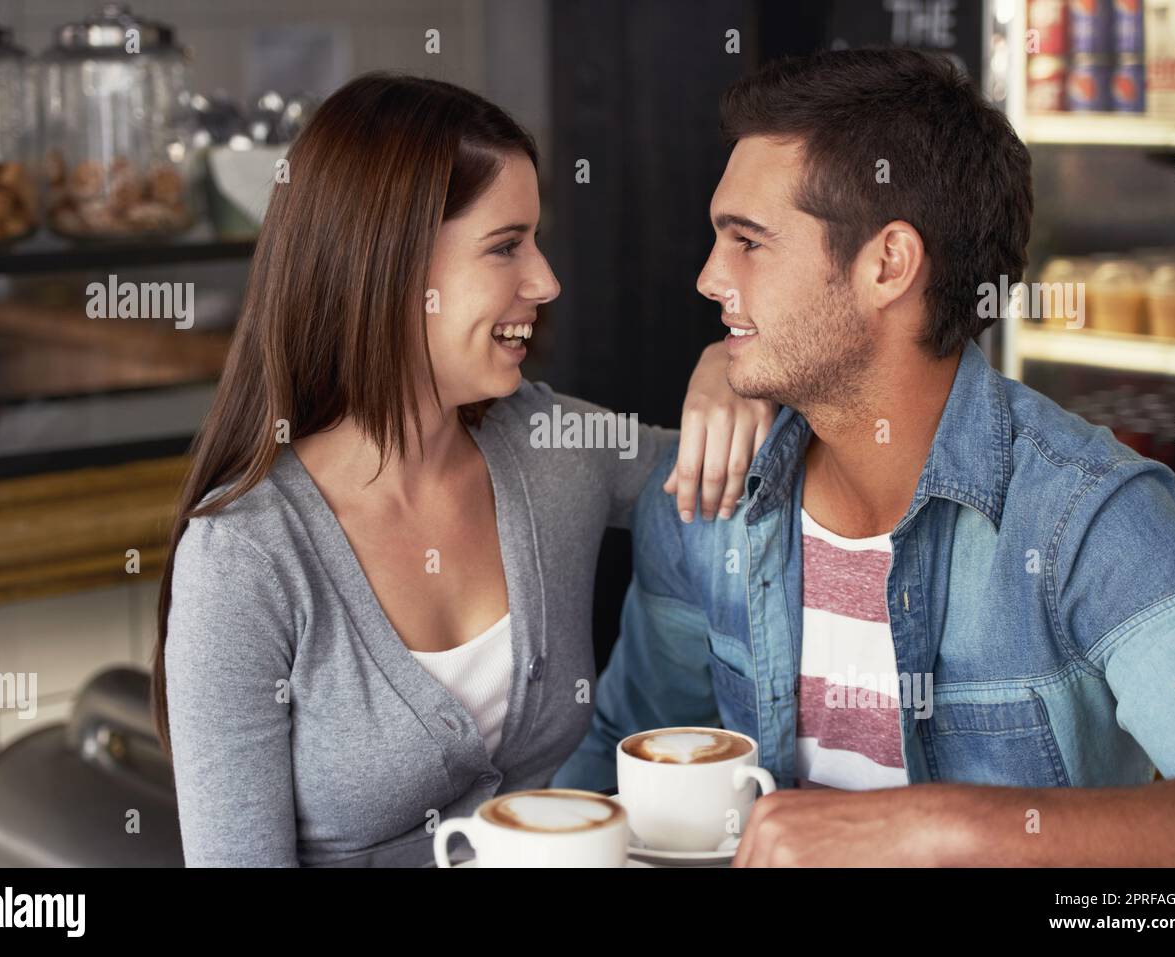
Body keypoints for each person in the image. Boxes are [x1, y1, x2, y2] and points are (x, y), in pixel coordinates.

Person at [552, 49, 1175, 866]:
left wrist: (932, 827)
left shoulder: (1085, 516)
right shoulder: (710, 494)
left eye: (749, 243)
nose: (707, 277)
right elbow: (629, 757)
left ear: (888, 263)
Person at [151, 73, 773, 867]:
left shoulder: (549, 448)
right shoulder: (243, 557)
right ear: (391, 265)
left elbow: (727, 466)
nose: (546, 282)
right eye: (506, 245)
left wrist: (725, 366)